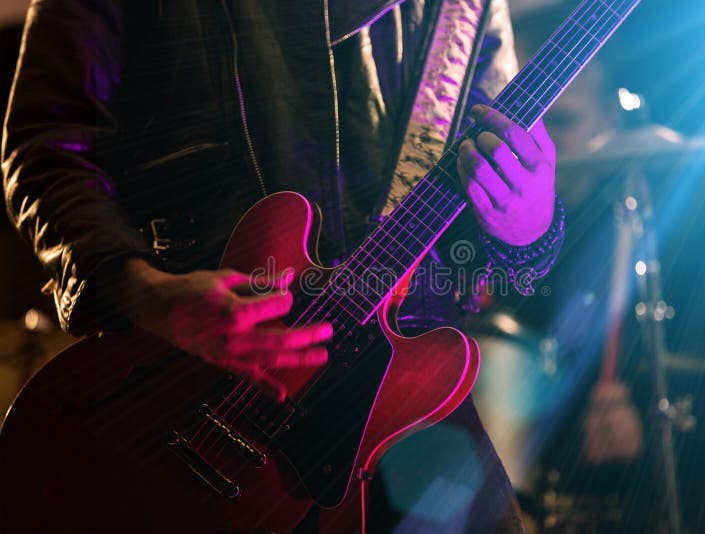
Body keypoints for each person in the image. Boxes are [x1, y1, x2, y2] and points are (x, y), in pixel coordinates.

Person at [2, 0, 564, 530]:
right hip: (182, 384)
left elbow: (491, 214)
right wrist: (145, 290)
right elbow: (47, 144)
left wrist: (528, 226)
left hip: (402, 394)